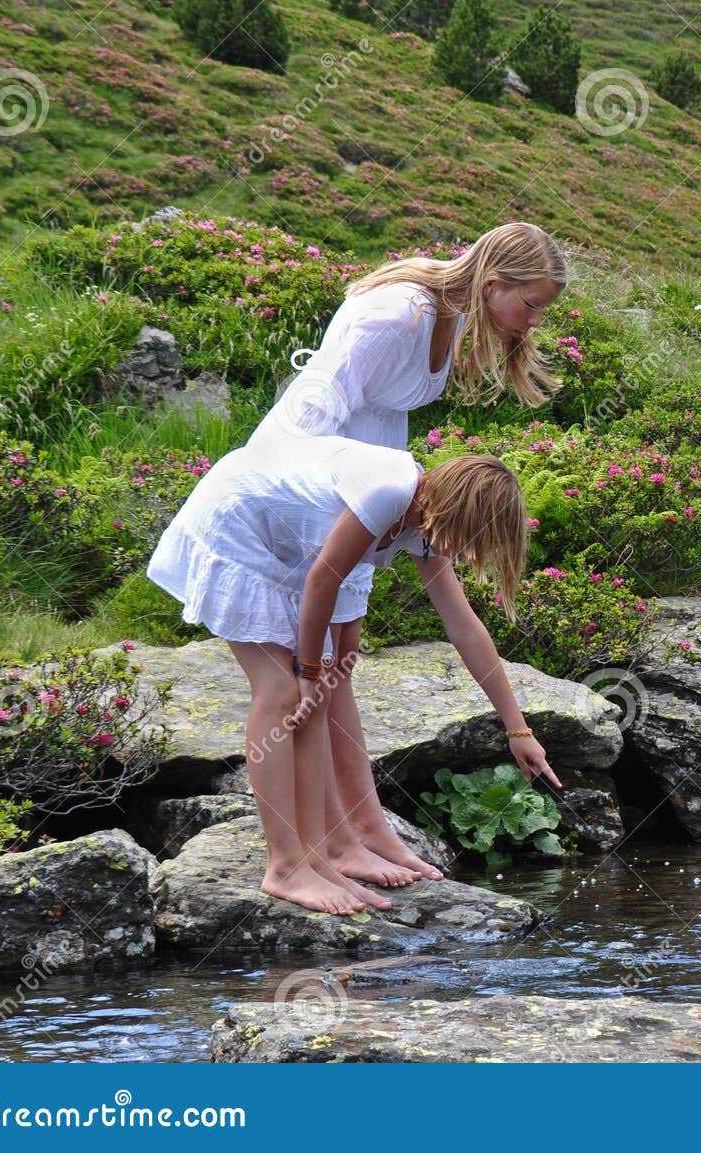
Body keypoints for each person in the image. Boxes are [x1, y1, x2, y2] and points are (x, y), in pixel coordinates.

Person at [245, 221, 569, 891]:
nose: (535, 321)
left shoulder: (451, 316)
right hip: (324, 485)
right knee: (316, 672)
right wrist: (319, 503)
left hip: (370, 472)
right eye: (531, 304)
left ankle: (365, 829)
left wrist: (518, 728)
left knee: (339, 669)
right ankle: (329, 845)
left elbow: (465, 625)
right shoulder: (400, 313)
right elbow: (315, 405)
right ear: (492, 283)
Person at [147, 437, 561, 915]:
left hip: (289, 545)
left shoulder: (425, 521)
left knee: (318, 694)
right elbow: (323, 578)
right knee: (281, 691)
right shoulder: (391, 492)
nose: (470, 554)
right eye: (473, 539)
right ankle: (285, 867)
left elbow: (464, 626)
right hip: (236, 521)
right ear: (455, 512)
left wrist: (518, 729)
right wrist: (307, 671)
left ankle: (321, 858)